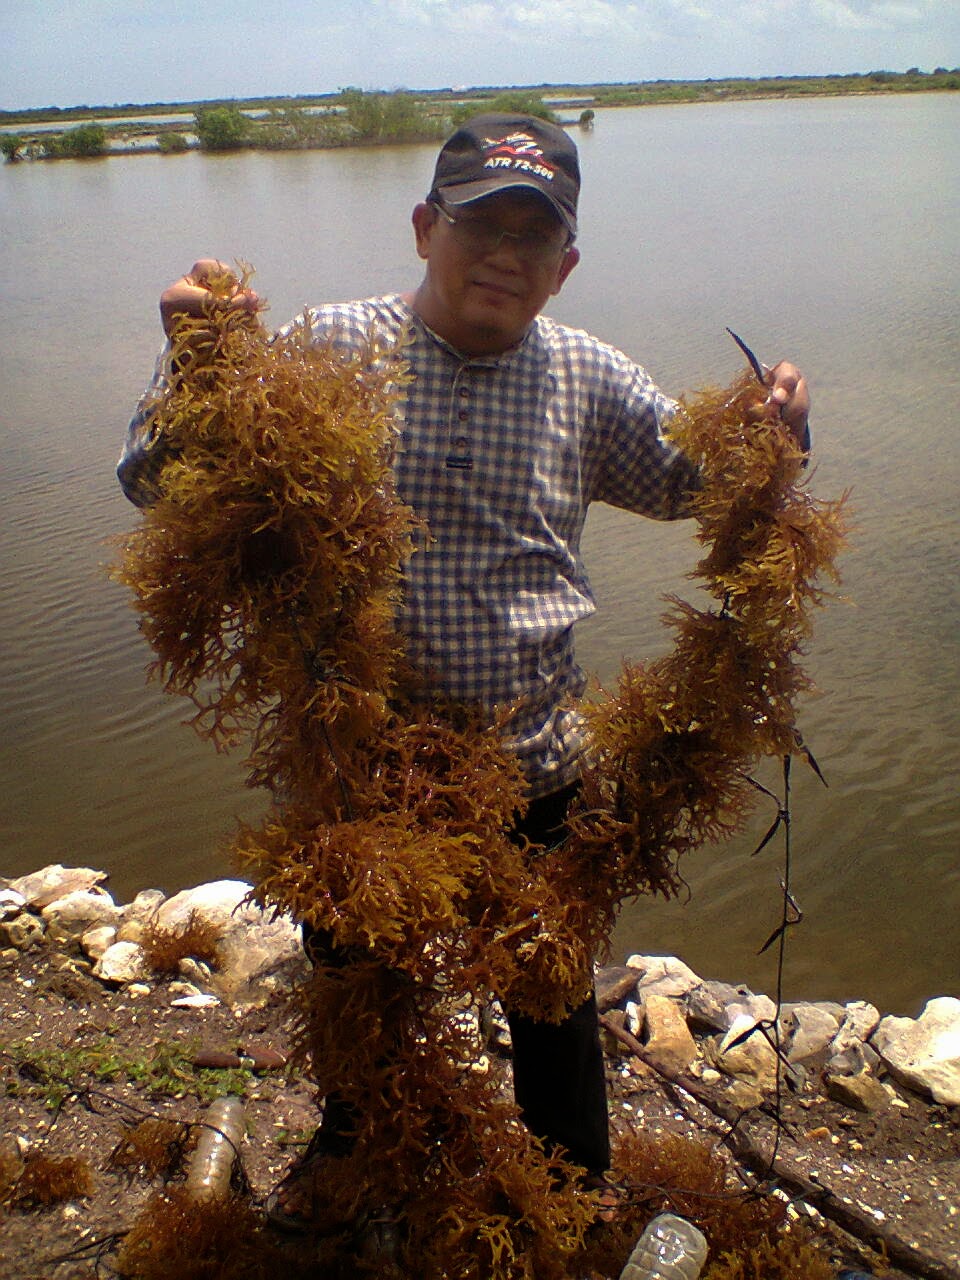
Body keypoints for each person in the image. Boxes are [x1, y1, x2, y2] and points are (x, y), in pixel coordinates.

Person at [118, 112, 810, 1222]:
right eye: (482, 220)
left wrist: (772, 431)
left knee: (553, 1014)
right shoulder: (328, 347)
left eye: (537, 236)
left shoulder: (587, 376)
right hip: (359, 775)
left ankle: (566, 1192)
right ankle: (355, 1167)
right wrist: (196, 364)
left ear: (566, 266)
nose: (506, 251)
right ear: (424, 228)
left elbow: (701, 486)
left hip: (538, 771)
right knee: (356, 994)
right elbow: (157, 489)